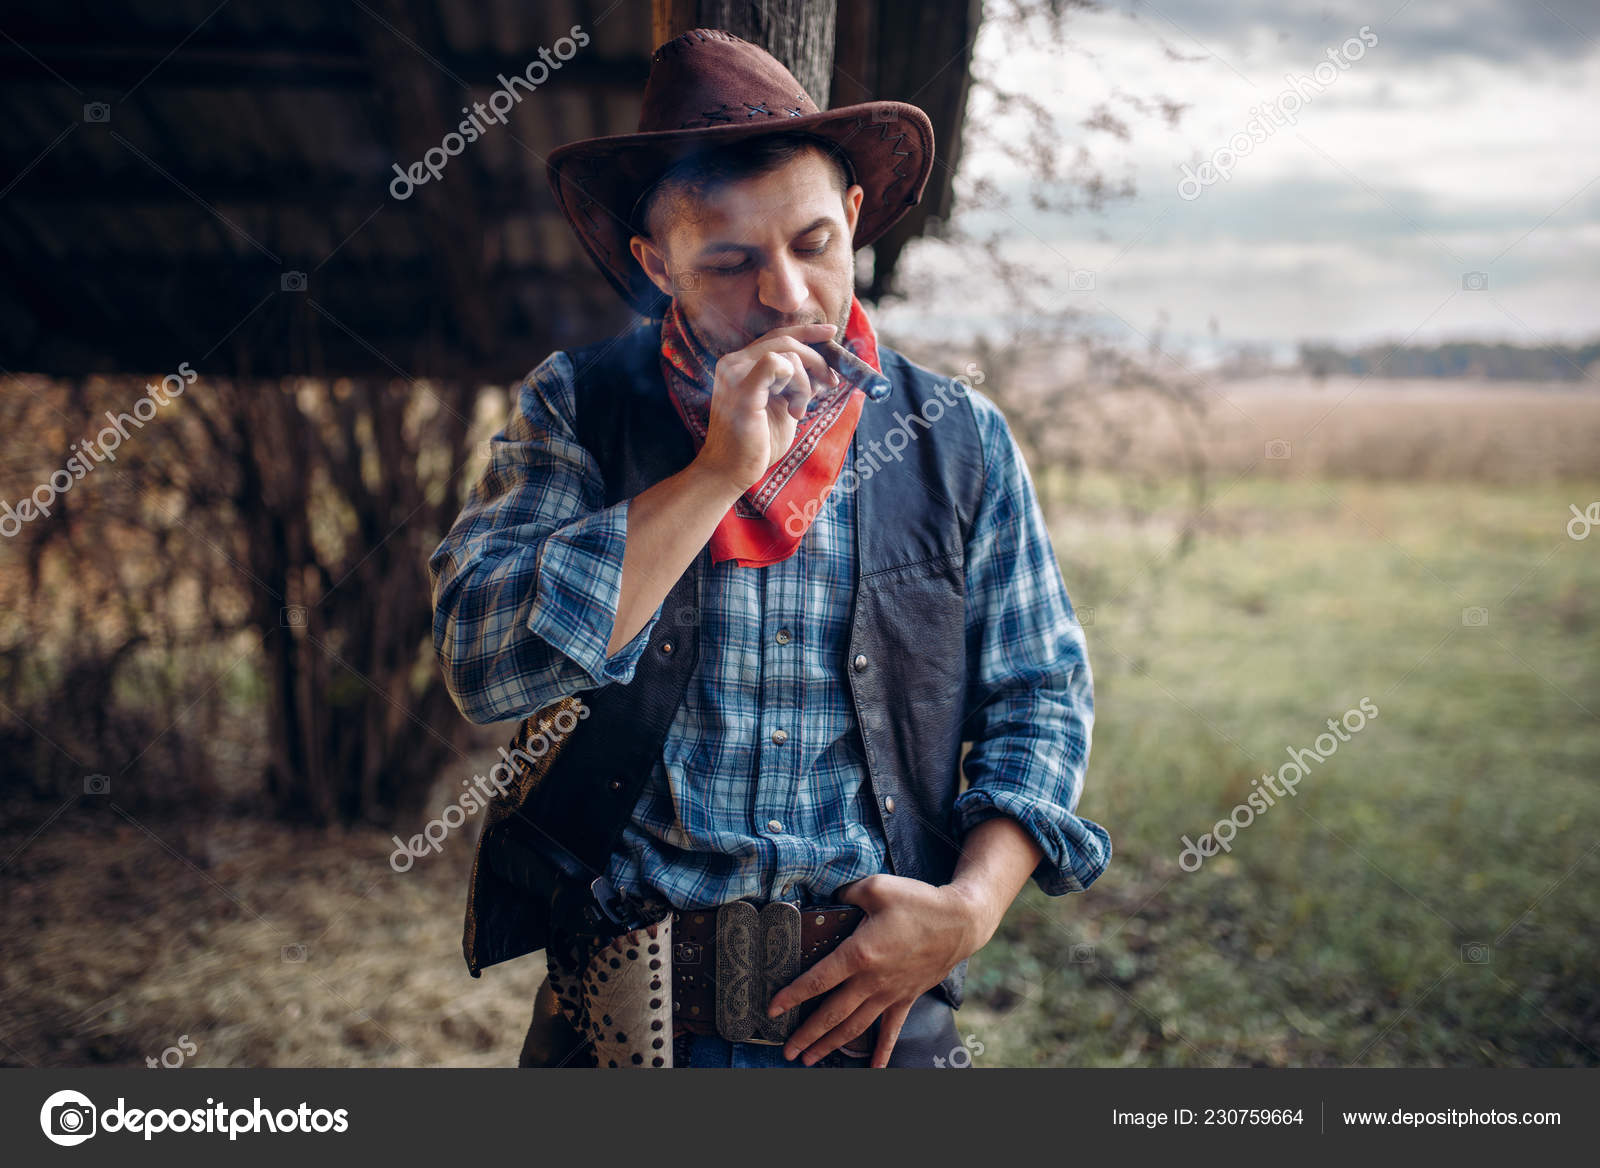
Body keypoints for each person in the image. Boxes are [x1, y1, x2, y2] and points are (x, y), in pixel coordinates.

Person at [428, 27, 1110, 1069]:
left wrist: (968, 910)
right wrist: (711, 475)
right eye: (731, 261)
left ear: (854, 217)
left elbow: (1042, 698)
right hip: (618, 1028)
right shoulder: (581, 407)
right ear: (658, 267)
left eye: (812, 244)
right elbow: (487, 667)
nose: (785, 296)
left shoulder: (958, 438)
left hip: (877, 1024)